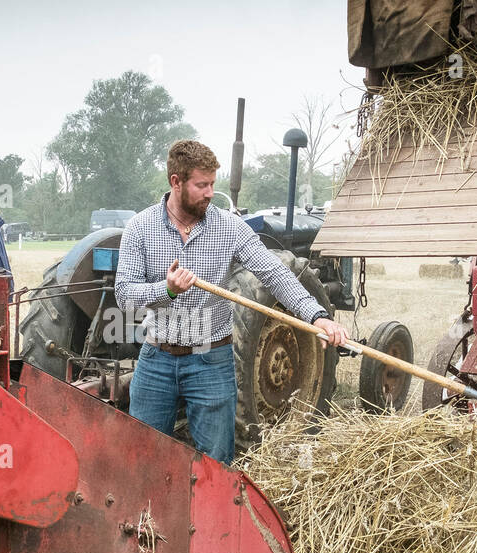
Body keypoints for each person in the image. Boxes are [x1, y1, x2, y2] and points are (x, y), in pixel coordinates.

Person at [115, 140, 349, 465]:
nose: (210, 193)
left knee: (216, 465)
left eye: (213, 184)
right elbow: (124, 295)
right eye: (202, 185)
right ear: (176, 182)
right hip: (156, 361)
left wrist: (317, 317)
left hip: (211, 362)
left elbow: (275, 274)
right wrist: (165, 290)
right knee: (142, 459)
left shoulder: (229, 227)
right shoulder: (140, 228)